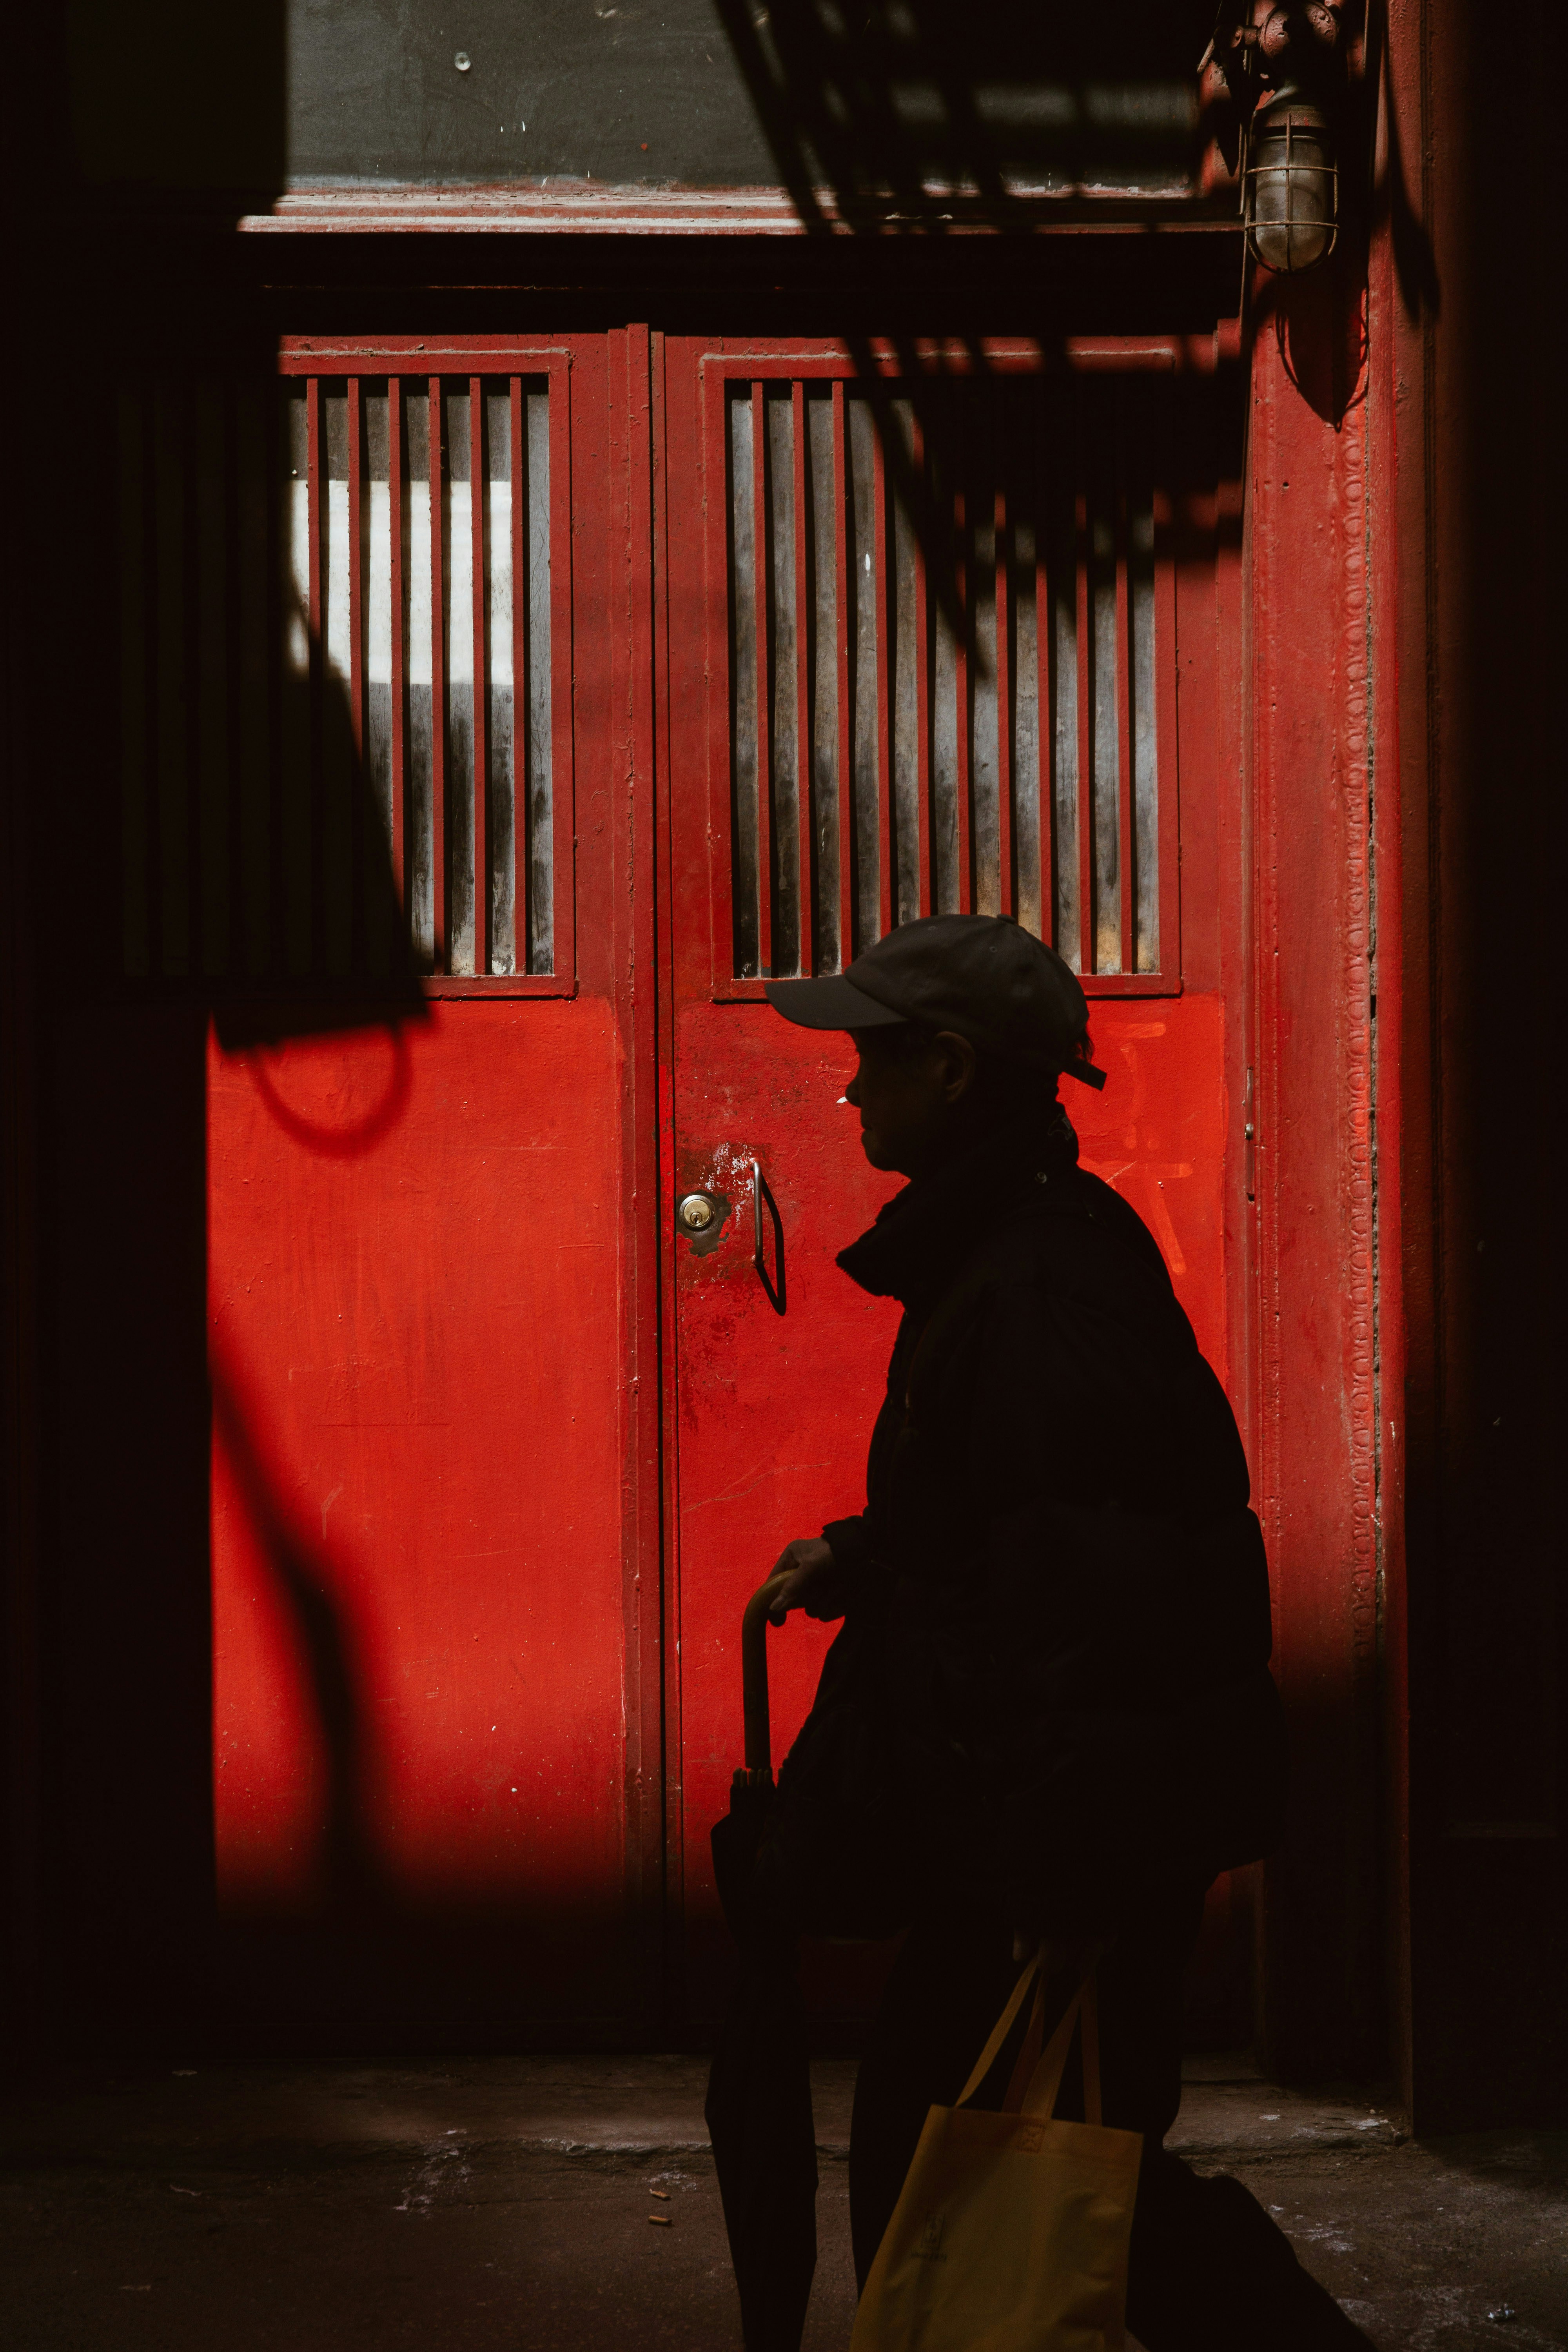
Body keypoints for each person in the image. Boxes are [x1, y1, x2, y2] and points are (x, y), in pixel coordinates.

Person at [758, 913, 1374, 2352]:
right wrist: (870, 1551)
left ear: (955, 1069)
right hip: (1046, 1815)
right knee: (1036, 2169)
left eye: (871, 1062)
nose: (852, 1092)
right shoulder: (1015, 1256)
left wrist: (1068, 1879)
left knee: (1020, 2174)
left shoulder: (1037, 1280)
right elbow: (1034, 1517)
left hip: (1063, 1830)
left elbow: (1096, 1591)